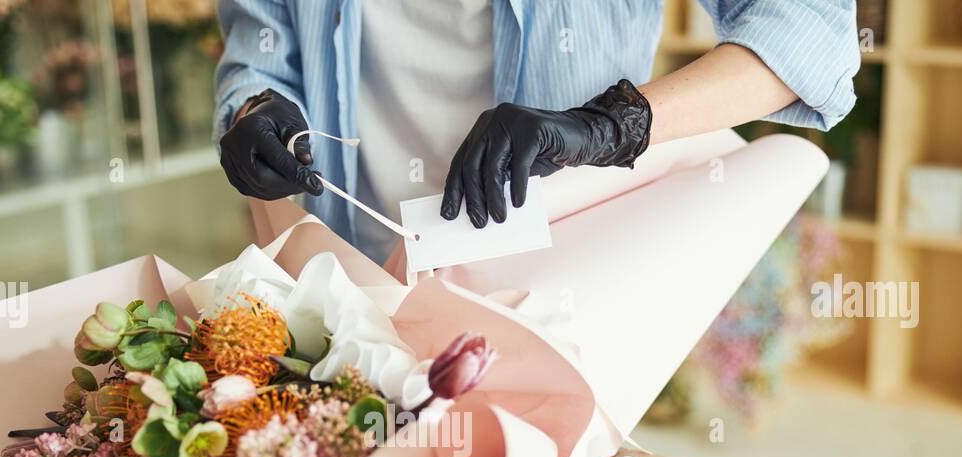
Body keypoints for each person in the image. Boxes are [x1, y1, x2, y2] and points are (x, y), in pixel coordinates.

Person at [215, 1, 860, 264]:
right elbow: (261, 45)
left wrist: (607, 126)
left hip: (565, 280)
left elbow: (808, 33)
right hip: (350, 277)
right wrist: (253, 108)